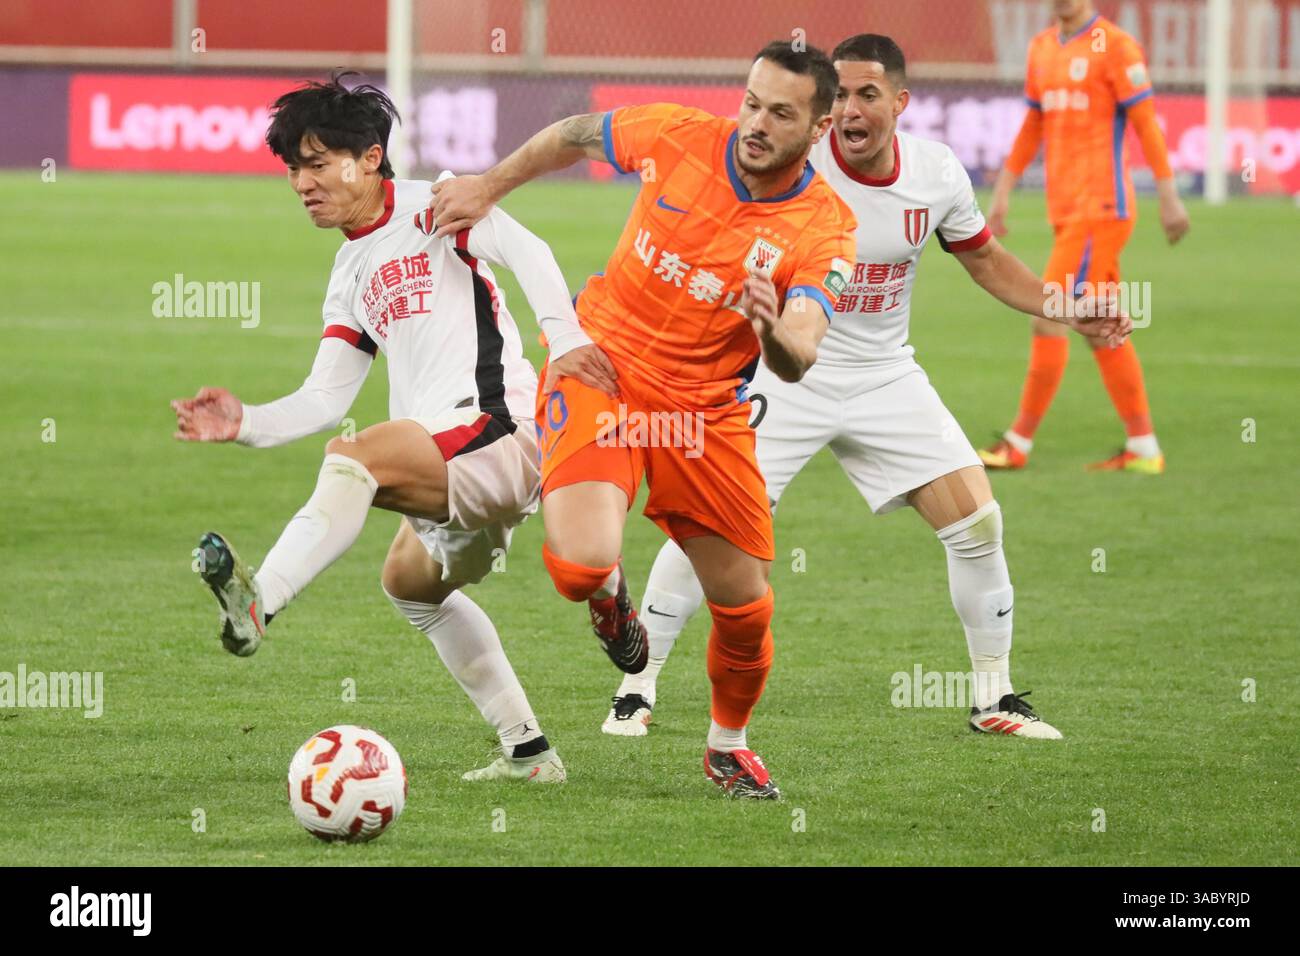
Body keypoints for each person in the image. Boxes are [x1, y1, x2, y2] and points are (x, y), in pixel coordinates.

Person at [600, 35, 1131, 741]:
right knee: (714, 530)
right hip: (784, 376)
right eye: (839, 96)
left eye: (866, 95)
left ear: (900, 104)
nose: (849, 110)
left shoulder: (937, 175)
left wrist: (1067, 306)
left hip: (884, 375)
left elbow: (988, 263)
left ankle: (994, 696)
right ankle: (637, 686)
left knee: (977, 521)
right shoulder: (795, 161)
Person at [430, 41, 859, 798]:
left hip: (703, 416)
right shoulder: (675, 134)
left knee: (747, 610)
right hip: (605, 376)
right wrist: (489, 186)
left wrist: (768, 330)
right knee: (580, 565)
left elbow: (802, 351)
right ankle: (609, 600)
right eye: (752, 101)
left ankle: (728, 746)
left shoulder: (825, 228)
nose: (755, 123)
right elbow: (570, 133)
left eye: (781, 114)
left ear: (818, 128)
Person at [172, 75, 612, 783]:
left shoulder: (440, 203)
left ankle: (261, 602)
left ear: (370, 158)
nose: (301, 184)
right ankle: (529, 753)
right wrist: (247, 421)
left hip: (500, 430)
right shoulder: (349, 272)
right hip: (445, 462)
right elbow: (324, 393)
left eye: (317, 164)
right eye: (293, 169)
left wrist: (563, 339)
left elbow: (530, 251)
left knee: (356, 455)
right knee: (411, 587)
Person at [979, 0, 1189, 473]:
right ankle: (1143, 446)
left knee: (1049, 313)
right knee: (1102, 327)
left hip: (1100, 210)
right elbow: (1034, 125)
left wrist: (1170, 193)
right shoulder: (1041, 49)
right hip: (1066, 210)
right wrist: (1004, 191)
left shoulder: (1115, 46)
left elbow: (1145, 122)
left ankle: (1018, 443)